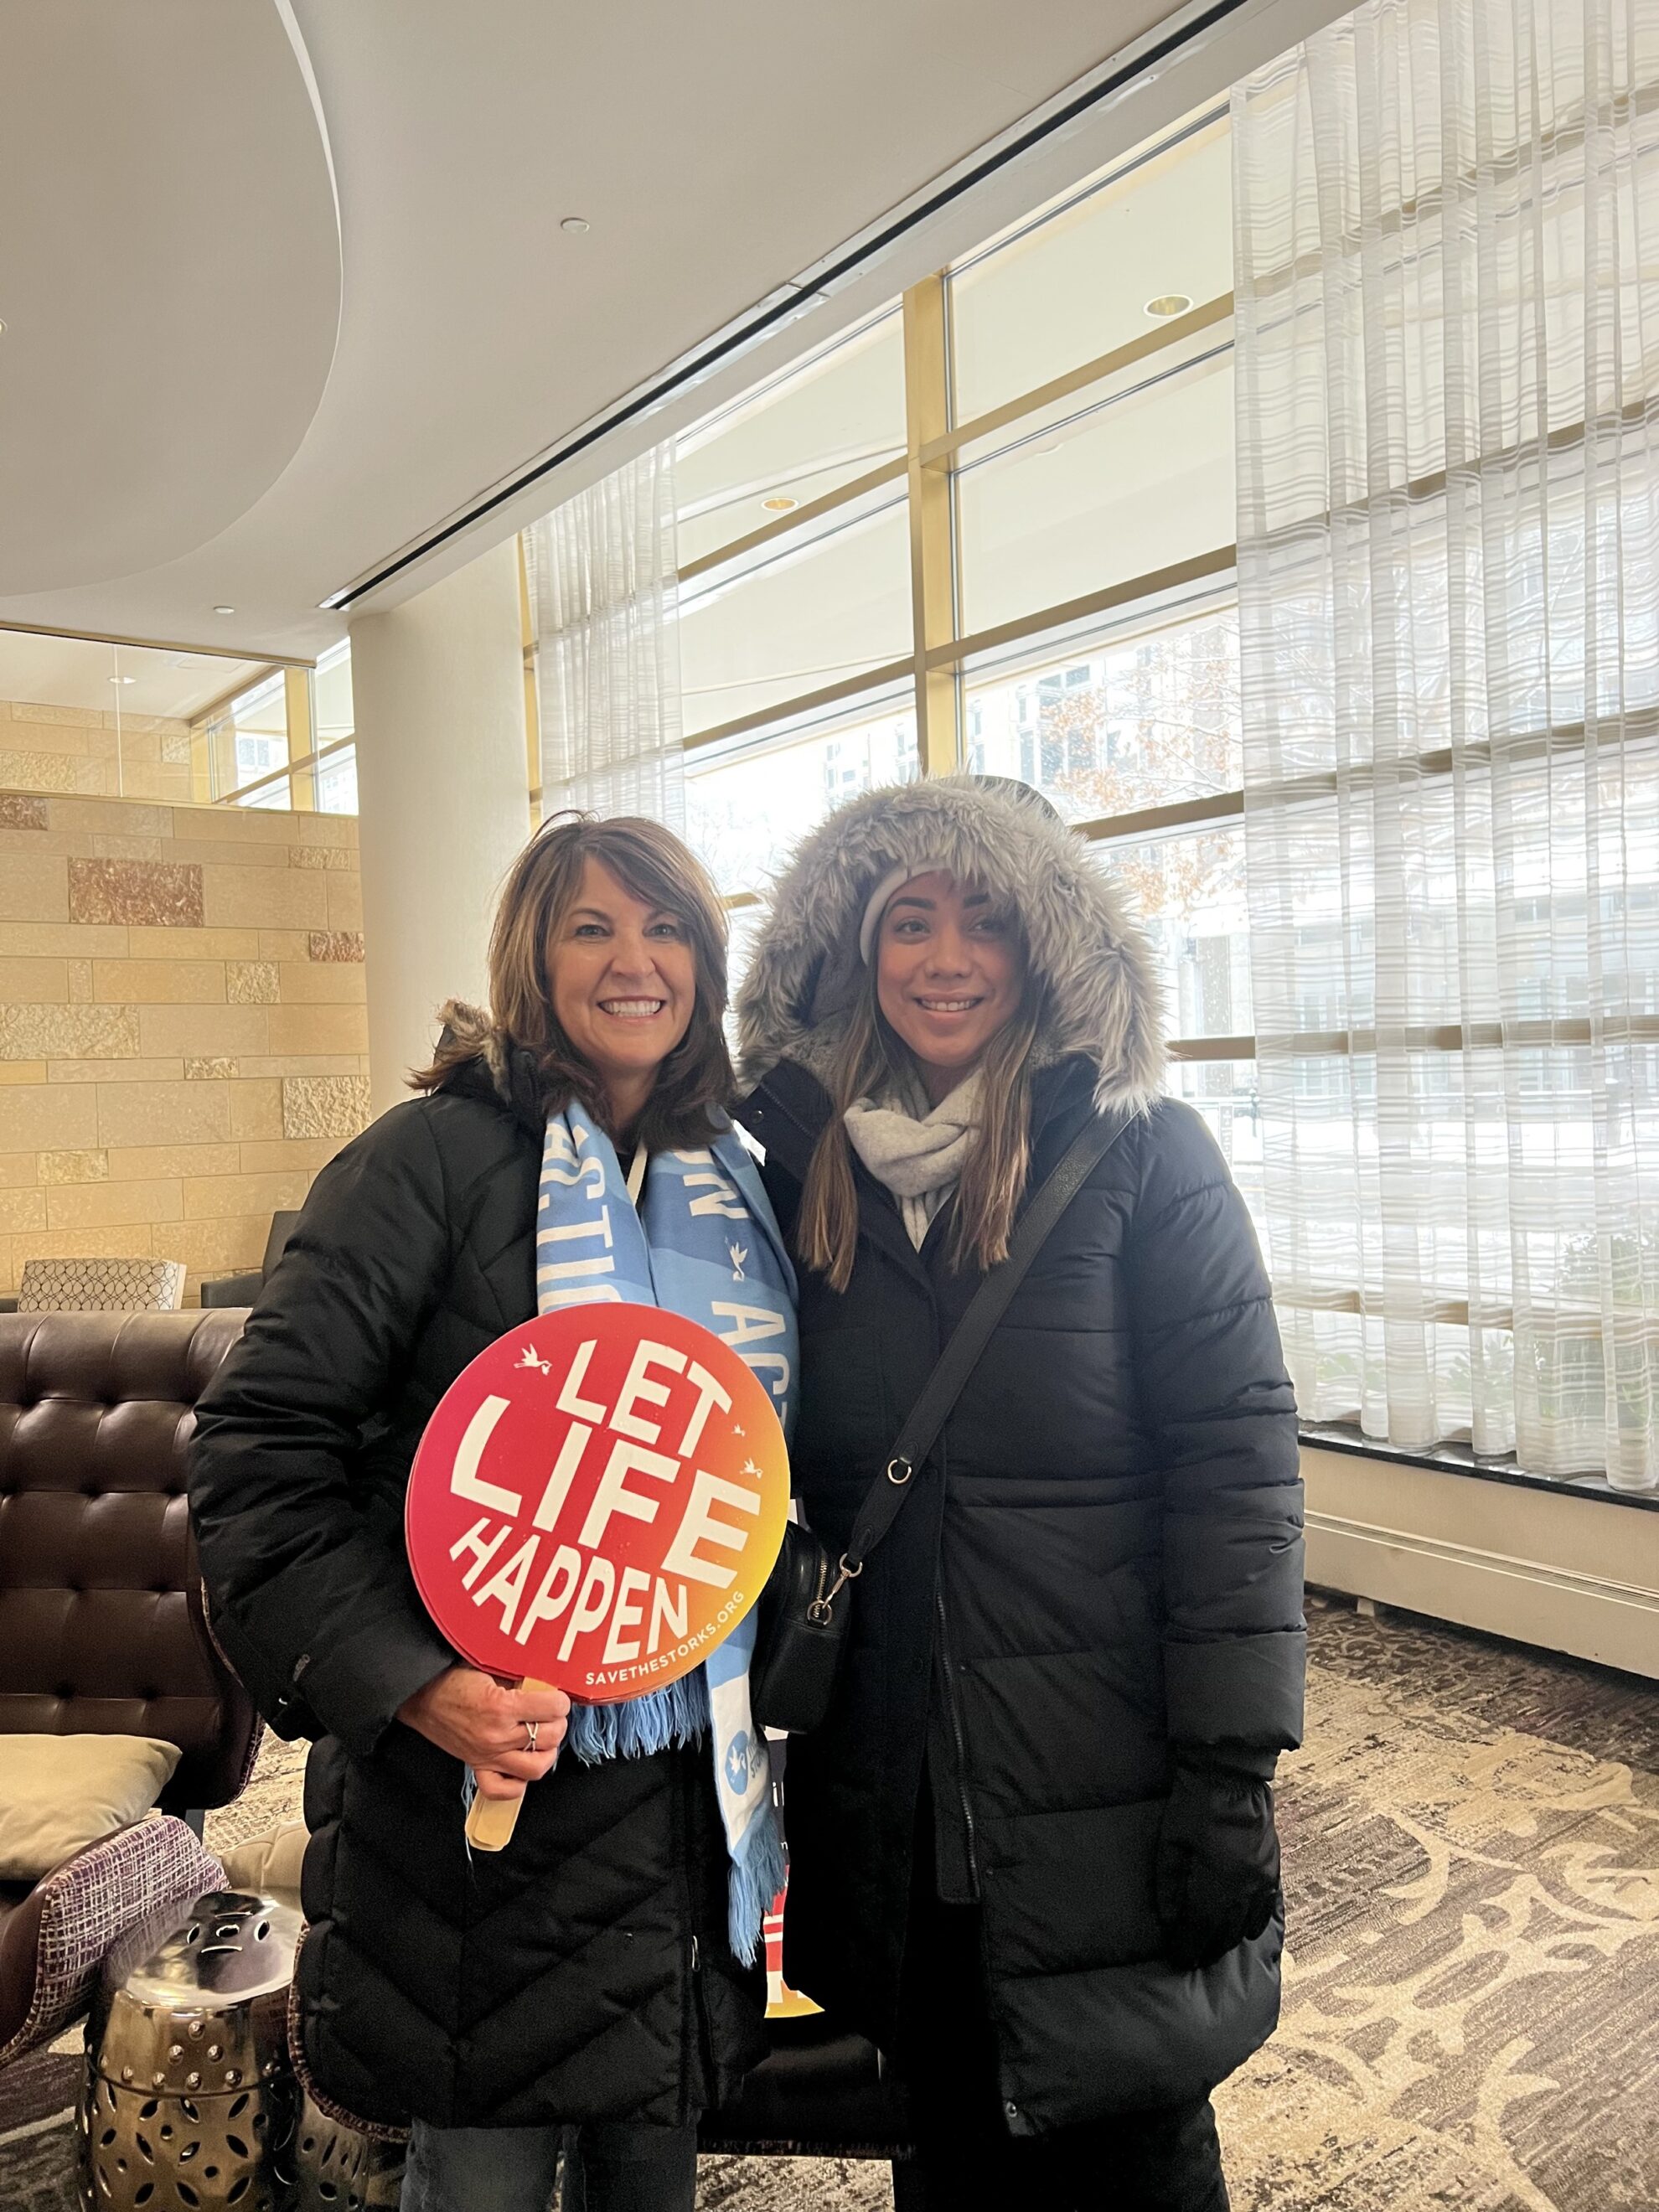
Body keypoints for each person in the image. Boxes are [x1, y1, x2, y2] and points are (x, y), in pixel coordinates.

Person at [189, 814, 796, 2212]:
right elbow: (258, 1454)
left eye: (665, 930)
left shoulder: (734, 1181)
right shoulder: (427, 1164)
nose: (634, 962)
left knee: (656, 2161)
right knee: (483, 2172)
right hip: (485, 1782)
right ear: (531, 958)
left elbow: (757, 1464)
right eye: (592, 927)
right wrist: (415, 1686)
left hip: (687, 1782)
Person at [736, 775, 1305, 2212]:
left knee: (1129, 2142)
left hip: (1099, 1773)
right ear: (855, 952)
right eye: (907, 920)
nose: (945, 957)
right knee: (943, 2147)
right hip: (894, 1780)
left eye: (984, 919)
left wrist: (1230, 1775)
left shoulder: (1143, 1155)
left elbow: (1236, 1468)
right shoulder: (798, 1173)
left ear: (1046, 945)